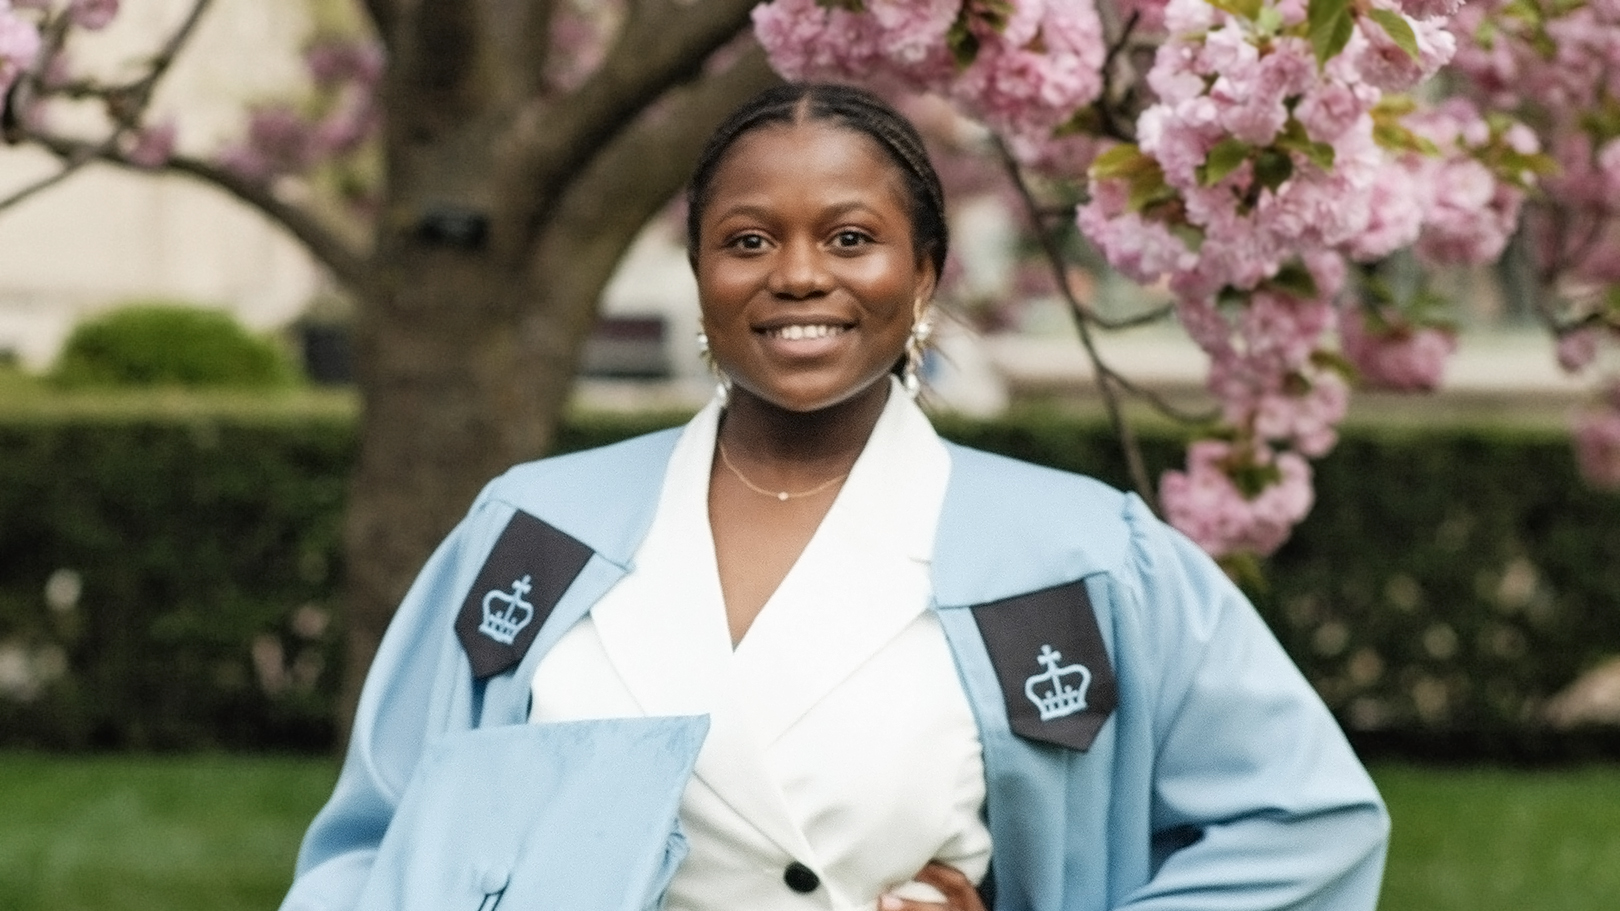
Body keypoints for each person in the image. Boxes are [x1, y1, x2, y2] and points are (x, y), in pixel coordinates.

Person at [280, 84, 1388, 911]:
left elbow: (1307, 826)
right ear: (703, 276)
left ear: (925, 276)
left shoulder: (1077, 556)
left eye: (851, 238)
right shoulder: (534, 534)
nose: (798, 274)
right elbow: (375, 848)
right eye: (748, 240)